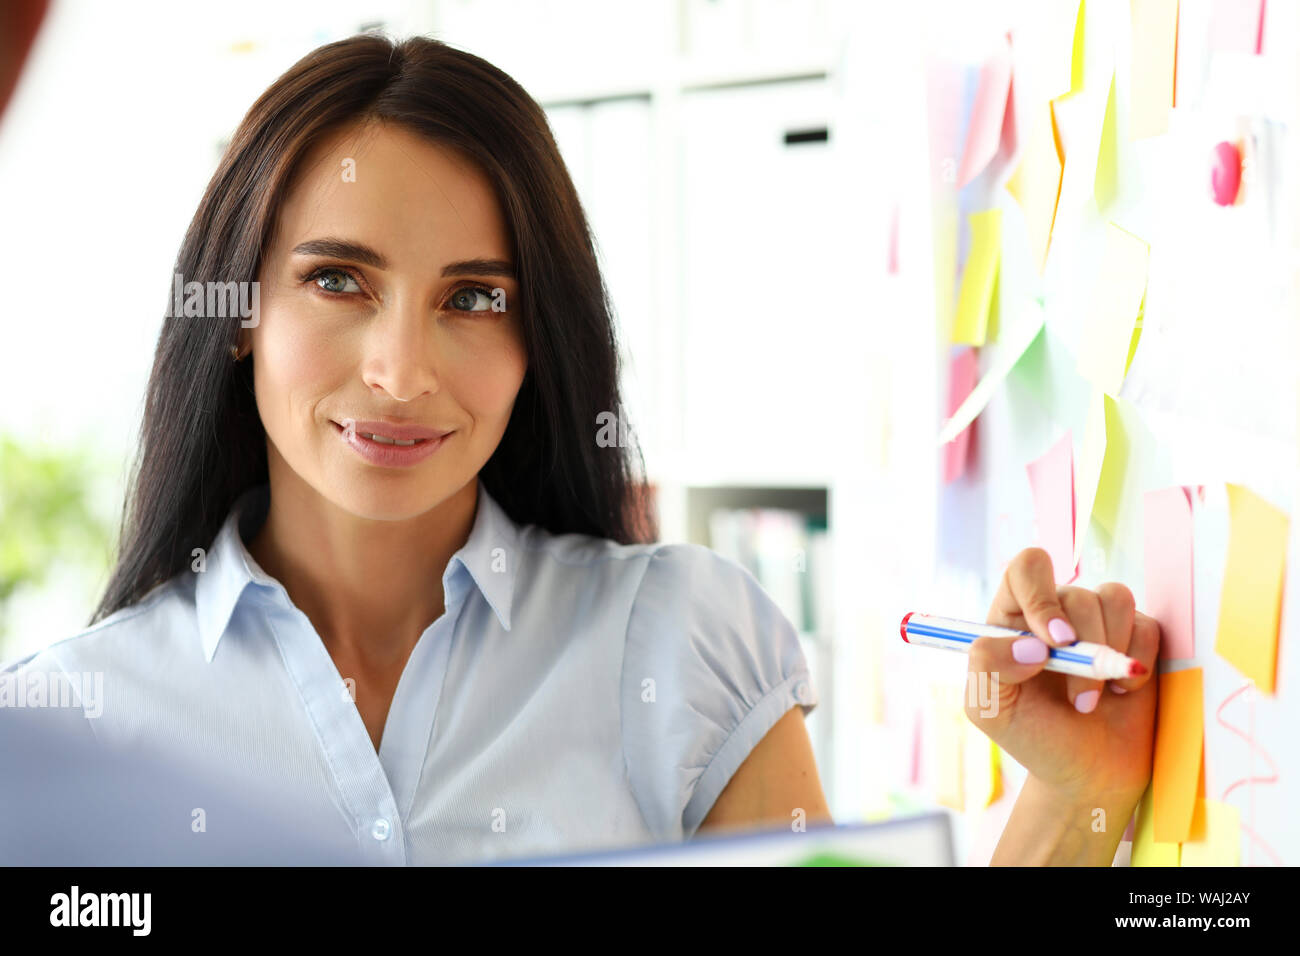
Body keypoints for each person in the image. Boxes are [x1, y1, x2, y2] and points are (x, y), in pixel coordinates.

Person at [4, 28, 1157, 866]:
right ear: (238, 312)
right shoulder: (62, 729)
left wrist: (1075, 799)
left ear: (538, 340)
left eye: (474, 298)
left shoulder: (686, 641)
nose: (401, 370)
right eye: (337, 279)